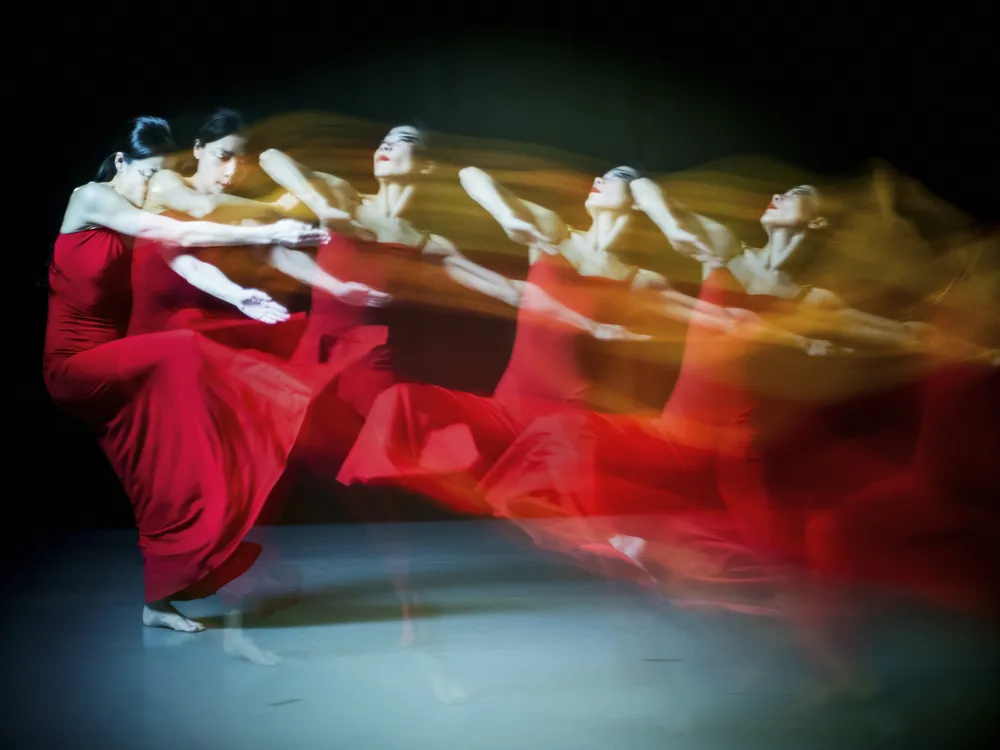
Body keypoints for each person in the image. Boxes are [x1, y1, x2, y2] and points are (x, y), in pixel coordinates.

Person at [43, 116, 328, 633]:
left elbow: (182, 257)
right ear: (123, 162)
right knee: (185, 348)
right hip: (73, 366)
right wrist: (268, 228)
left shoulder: (136, 208)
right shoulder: (91, 198)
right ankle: (257, 397)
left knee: (161, 478)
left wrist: (239, 295)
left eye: (158, 178)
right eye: (146, 174)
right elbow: (173, 228)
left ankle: (160, 601)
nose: (151, 186)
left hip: (119, 365)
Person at [129, 108, 387, 353]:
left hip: (198, 324)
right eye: (223, 156)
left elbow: (278, 254)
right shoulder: (167, 182)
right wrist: (275, 209)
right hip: (155, 331)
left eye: (241, 162)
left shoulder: (239, 213)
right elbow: (203, 207)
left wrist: (337, 287)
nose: (231, 172)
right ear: (198, 149)